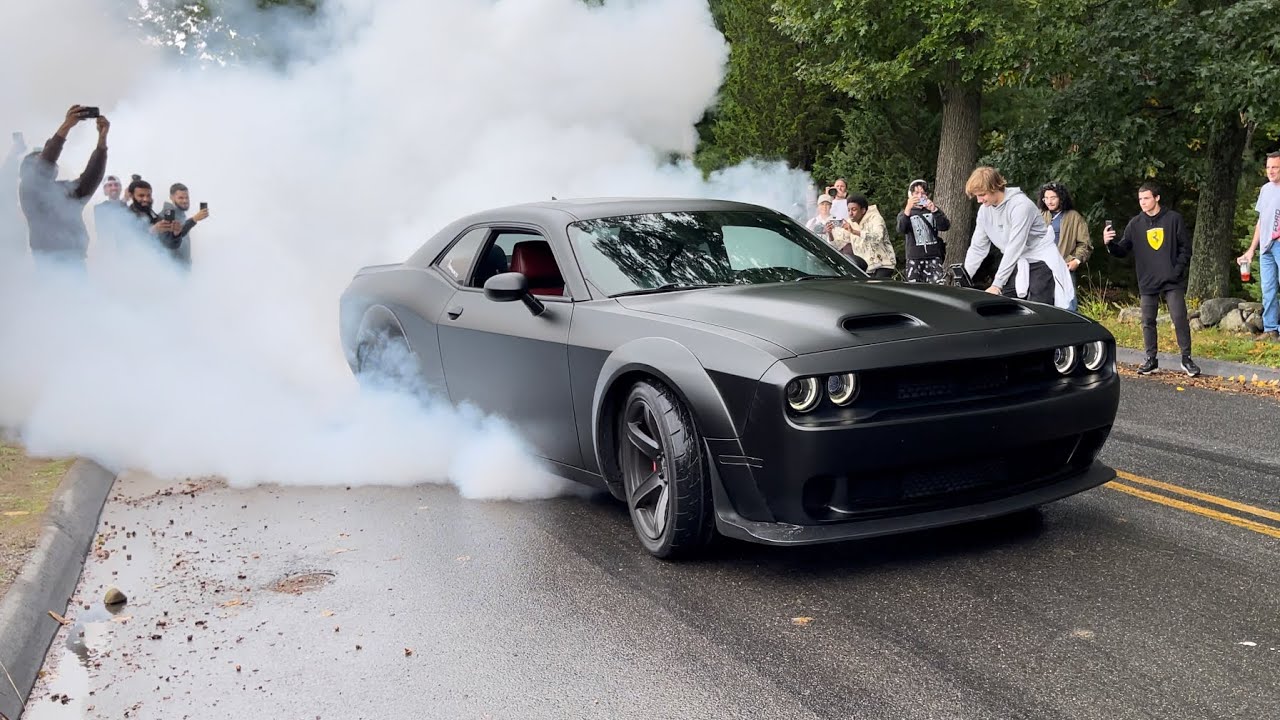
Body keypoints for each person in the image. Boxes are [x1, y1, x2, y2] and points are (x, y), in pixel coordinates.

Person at [1103, 182, 1200, 377]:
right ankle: (1151, 359)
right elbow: (1123, 250)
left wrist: (1177, 270)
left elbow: (1185, 248)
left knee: (1179, 317)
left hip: (1171, 279)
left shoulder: (1173, 219)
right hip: (1147, 280)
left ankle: (1186, 359)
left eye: (1146, 198)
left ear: (1157, 198)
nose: (1143, 203)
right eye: (1140, 199)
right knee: (1148, 320)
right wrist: (1109, 244)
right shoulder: (1135, 224)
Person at [963, 166, 1075, 309]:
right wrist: (964, 279)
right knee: (1004, 307)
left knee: (1038, 309)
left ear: (994, 187)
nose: (979, 200)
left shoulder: (1021, 206)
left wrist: (997, 284)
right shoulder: (985, 212)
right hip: (1016, 262)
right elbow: (978, 248)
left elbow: (1015, 247)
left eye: (982, 194)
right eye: (976, 196)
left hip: (1040, 262)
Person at [17, 105, 109, 269]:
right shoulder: (28, 191)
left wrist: (102, 141)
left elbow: (91, 178)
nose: (51, 165)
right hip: (49, 264)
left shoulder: (64, 190)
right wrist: (66, 126)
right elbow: (44, 164)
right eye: (38, 161)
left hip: (77, 261)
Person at [1235, 151, 1280, 341]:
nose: (1271, 171)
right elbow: (1261, 221)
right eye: (1268, 167)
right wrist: (1251, 250)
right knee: (1268, 289)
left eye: (1275, 167)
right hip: (1266, 248)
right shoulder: (1265, 190)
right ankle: (1271, 330)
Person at [1038, 181, 1092, 311]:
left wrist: (1076, 260)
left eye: (1053, 197)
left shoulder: (1073, 217)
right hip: (1041, 268)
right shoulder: (1040, 215)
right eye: (1046, 198)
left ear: (1061, 198)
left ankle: (1072, 330)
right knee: (1044, 307)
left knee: (1068, 307)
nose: (1049, 201)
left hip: (1064, 267)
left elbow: (1085, 244)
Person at [898, 179, 950, 284]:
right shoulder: (905, 213)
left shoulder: (933, 210)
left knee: (937, 288)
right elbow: (901, 229)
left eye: (923, 193)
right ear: (910, 195)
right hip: (914, 258)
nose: (920, 196)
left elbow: (945, 226)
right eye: (916, 193)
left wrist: (934, 210)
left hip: (933, 257)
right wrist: (908, 209)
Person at [158, 182, 210, 268]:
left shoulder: (180, 214)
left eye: (187, 197)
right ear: (171, 197)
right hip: (173, 270)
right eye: (181, 198)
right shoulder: (168, 214)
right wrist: (194, 219)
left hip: (182, 269)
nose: (185, 201)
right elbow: (172, 239)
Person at [845, 194, 895, 279]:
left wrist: (855, 232)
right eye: (849, 210)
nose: (850, 213)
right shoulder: (849, 222)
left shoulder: (876, 218)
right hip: (866, 267)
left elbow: (877, 237)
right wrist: (830, 233)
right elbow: (839, 242)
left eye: (854, 210)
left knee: (878, 290)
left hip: (883, 264)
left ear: (863, 210)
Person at [93, 174, 130, 251]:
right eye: (110, 185)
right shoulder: (99, 208)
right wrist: (124, 200)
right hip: (109, 250)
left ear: (120, 189)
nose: (114, 188)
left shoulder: (128, 208)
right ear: (105, 190)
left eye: (116, 185)